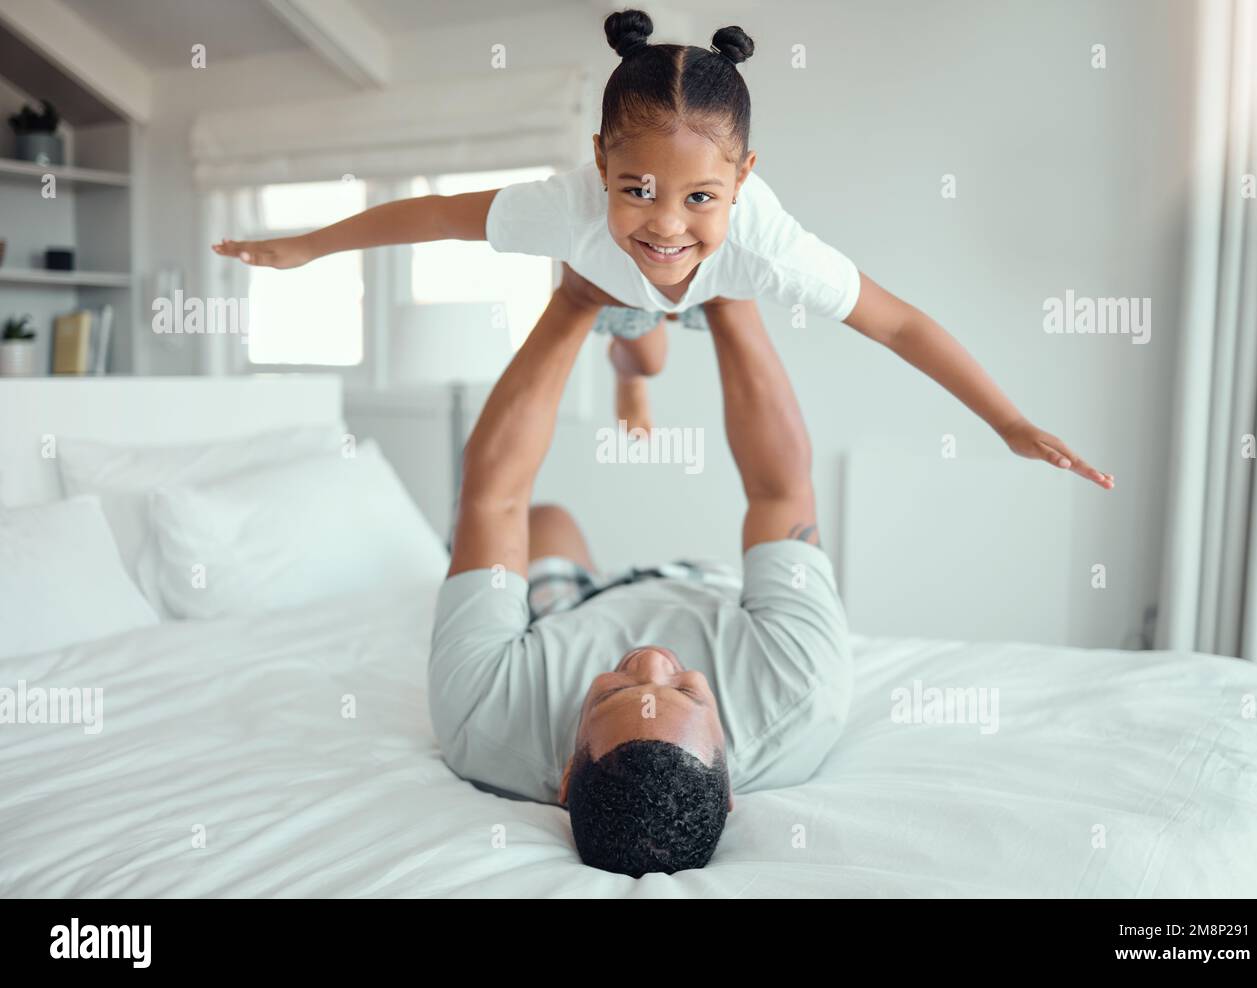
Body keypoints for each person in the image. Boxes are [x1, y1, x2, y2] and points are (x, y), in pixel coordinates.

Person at [212, 9, 1114, 489]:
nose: (668, 223)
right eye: (636, 188)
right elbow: (435, 213)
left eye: (700, 197)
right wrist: (308, 249)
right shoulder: (563, 208)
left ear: (745, 179)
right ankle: (635, 380)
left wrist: (1007, 422)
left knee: (718, 306)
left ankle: (670, 340)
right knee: (638, 343)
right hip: (610, 286)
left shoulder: (764, 238)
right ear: (599, 161)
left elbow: (900, 325)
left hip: (721, 288)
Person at [427, 262, 851, 876]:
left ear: (566, 777)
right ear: (728, 777)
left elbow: (493, 495)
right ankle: (637, 365)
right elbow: (778, 492)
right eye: (685, 692)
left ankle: (631, 363)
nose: (650, 658)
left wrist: (574, 300)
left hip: (570, 617)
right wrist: (731, 300)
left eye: (614, 694)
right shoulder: (801, 692)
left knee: (541, 520)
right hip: (710, 596)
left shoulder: (481, 718)